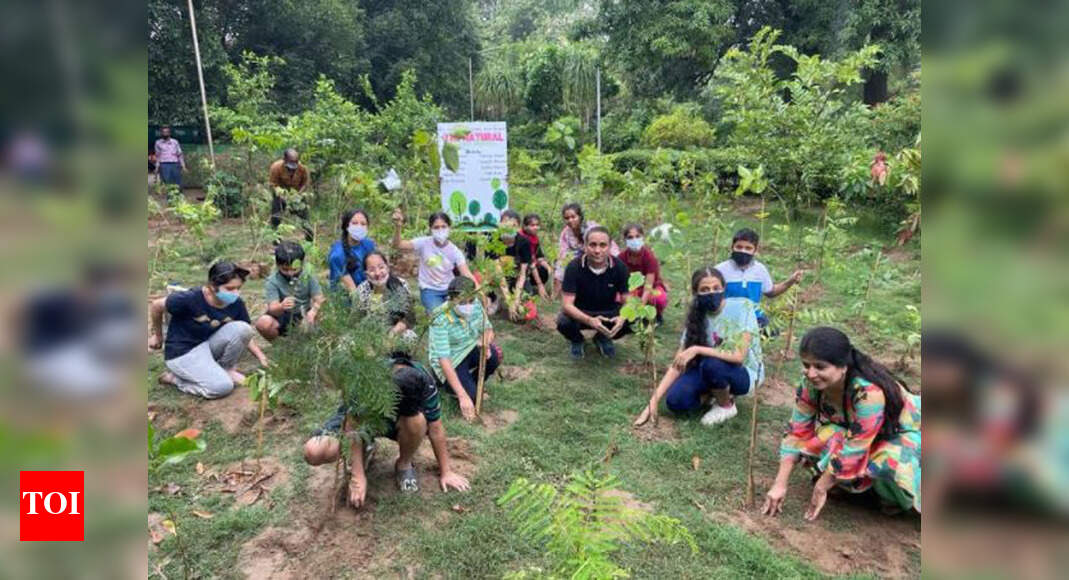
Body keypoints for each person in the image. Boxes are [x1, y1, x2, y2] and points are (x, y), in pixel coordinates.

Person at [762, 327, 921, 520]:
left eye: (820, 367)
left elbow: (856, 447)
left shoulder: (868, 393)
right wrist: (780, 483)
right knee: (827, 435)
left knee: (891, 460)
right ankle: (853, 485)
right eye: (806, 365)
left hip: (905, 433)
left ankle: (895, 499)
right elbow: (796, 433)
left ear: (843, 366)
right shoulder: (809, 385)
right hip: (862, 436)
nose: (811, 373)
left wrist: (822, 486)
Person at [303, 352, 471, 506]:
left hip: (399, 425)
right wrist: (357, 476)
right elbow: (352, 427)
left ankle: (404, 464)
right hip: (361, 420)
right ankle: (364, 449)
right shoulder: (366, 381)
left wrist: (446, 472)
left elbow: (435, 429)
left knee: (417, 421)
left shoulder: (424, 383)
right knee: (314, 451)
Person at [634, 266, 763, 427]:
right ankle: (714, 393)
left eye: (716, 288)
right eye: (705, 289)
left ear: (723, 288)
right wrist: (652, 402)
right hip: (708, 369)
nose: (711, 293)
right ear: (696, 293)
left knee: (712, 364)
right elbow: (677, 364)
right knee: (676, 401)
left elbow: (738, 356)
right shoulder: (697, 315)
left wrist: (697, 349)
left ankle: (726, 405)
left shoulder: (742, 307)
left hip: (742, 372)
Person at [149, 261, 269, 399]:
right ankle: (175, 380)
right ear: (212, 286)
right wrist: (157, 336)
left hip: (207, 345)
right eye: (229, 289)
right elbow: (156, 305)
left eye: (238, 288)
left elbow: (245, 335)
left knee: (244, 328)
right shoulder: (189, 298)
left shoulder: (236, 303)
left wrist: (261, 357)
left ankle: (226, 368)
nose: (235, 293)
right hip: (183, 352)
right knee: (222, 387)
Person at [428, 277, 501, 421]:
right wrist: (463, 396)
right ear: (451, 299)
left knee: (494, 357)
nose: (467, 305)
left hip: (470, 347)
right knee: (471, 397)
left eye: (470, 301)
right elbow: (444, 360)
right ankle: (455, 389)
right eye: (461, 302)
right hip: (452, 360)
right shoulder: (440, 318)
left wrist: (485, 342)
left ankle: (470, 384)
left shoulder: (476, 306)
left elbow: (488, 329)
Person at [557, 226, 632, 359]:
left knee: (634, 319)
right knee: (563, 322)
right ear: (585, 246)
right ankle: (577, 340)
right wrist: (589, 320)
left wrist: (621, 319)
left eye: (603, 245)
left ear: (609, 247)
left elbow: (628, 301)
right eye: (593, 245)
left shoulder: (620, 267)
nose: (597, 250)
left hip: (609, 313)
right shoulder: (574, 267)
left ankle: (602, 338)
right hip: (582, 312)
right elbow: (567, 305)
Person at [391, 208, 477, 312]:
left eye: (443, 226)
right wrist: (398, 227)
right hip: (429, 290)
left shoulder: (454, 251)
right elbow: (398, 245)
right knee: (439, 315)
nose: (440, 230)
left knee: (458, 314)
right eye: (436, 227)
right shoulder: (423, 243)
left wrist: (479, 289)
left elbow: (466, 273)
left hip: (450, 289)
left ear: (449, 228)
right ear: (430, 229)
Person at [715, 228, 803, 329]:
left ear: (755, 250)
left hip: (755, 318)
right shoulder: (720, 270)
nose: (743, 251)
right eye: (739, 247)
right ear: (732, 247)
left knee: (771, 332)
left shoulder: (760, 270)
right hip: (728, 319)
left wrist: (790, 281)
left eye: (748, 248)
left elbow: (771, 292)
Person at [254, 241, 325, 341]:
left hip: (305, 313)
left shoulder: (308, 275)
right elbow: (272, 308)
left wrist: (313, 311)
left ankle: (311, 340)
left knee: (324, 313)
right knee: (263, 323)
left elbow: (319, 298)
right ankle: (280, 345)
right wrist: (281, 306)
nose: (290, 273)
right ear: (278, 265)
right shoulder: (272, 280)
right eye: (285, 269)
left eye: (294, 269)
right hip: (283, 316)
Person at [553, 203, 619, 298]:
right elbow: (563, 253)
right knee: (562, 266)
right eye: (567, 218)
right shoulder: (566, 233)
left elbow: (599, 248)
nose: (570, 220)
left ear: (580, 216)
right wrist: (559, 271)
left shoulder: (591, 229)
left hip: (602, 253)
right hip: (582, 255)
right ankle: (556, 296)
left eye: (573, 217)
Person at [354, 251, 416, 340]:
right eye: (372, 270)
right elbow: (356, 321)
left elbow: (410, 316)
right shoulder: (361, 290)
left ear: (387, 268)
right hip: (370, 333)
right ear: (366, 273)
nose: (378, 273)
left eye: (381, 267)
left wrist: (392, 333)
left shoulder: (401, 285)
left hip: (395, 330)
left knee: (409, 336)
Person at [620, 223, 669, 324]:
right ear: (625, 240)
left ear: (642, 237)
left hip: (650, 288)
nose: (634, 240)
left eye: (637, 236)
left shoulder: (649, 257)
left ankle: (656, 314)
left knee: (658, 299)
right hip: (631, 289)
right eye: (630, 237)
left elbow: (648, 286)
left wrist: (640, 306)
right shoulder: (621, 258)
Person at [268, 148, 313, 241]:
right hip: (280, 194)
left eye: (295, 163)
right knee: (276, 216)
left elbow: (305, 183)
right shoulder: (275, 168)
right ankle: (276, 238)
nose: (292, 169)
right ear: (284, 160)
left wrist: (298, 195)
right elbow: (273, 185)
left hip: (297, 195)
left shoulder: (302, 168)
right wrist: (283, 196)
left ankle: (309, 238)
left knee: (304, 217)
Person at [327, 209, 377, 292]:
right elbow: (352, 290)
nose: (359, 227)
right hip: (345, 296)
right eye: (354, 223)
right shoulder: (337, 254)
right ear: (347, 226)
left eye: (363, 224)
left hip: (366, 288)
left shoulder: (369, 244)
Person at [514, 213, 552, 300]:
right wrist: (540, 284)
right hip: (521, 269)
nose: (536, 227)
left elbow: (539, 256)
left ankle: (529, 284)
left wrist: (549, 268)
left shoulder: (535, 238)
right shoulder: (521, 239)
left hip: (531, 267)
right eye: (532, 225)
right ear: (525, 226)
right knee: (527, 294)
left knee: (544, 271)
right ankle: (522, 286)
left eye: (537, 225)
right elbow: (530, 262)